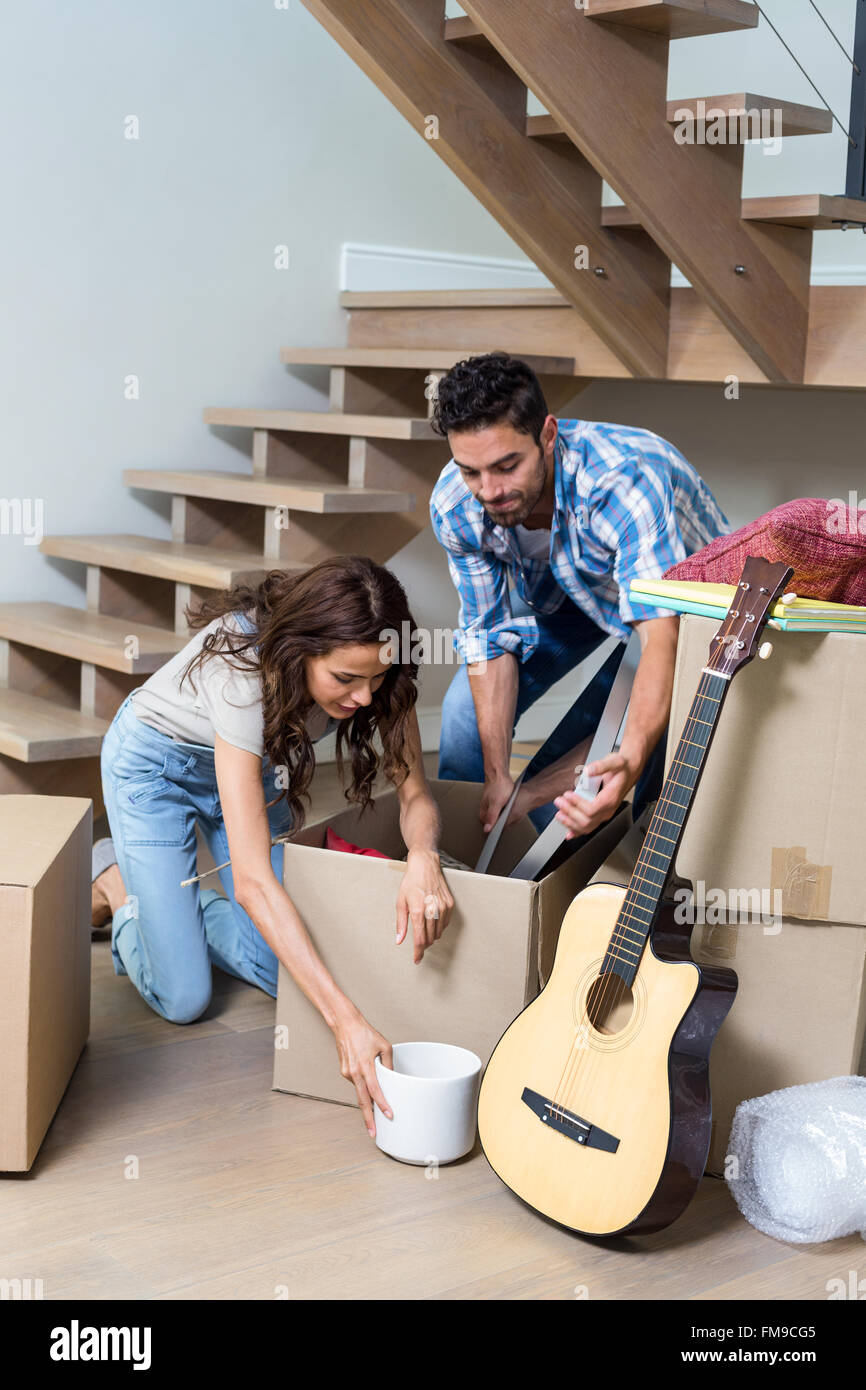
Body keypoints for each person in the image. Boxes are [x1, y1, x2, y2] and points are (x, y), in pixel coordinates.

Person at [91, 555, 454, 1137]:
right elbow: (255, 883)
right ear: (300, 651)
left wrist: (424, 858)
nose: (365, 697)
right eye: (345, 679)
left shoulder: (382, 676)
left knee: (277, 970)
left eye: (376, 678)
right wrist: (346, 1024)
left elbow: (416, 796)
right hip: (156, 767)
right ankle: (116, 882)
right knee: (184, 998)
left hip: (251, 768)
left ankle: (181, 910)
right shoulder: (242, 672)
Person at [430, 353, 731, 841]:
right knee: (464, 715)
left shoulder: (623, 480)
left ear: (548, 436)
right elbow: (486, 639)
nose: (490, 490)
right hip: (568, 592)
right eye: (471, 471)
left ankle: (584, 847)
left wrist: (629, 755)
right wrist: (497, 776)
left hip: (682, 607)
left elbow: (661, 640)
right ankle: (464, 856)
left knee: (629, 753)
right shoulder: (456, 504)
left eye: (507, 466)